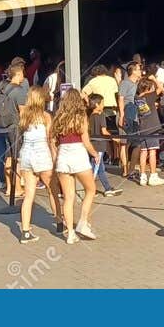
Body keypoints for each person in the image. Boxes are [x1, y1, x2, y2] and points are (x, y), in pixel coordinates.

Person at [51, 89, 100, 243]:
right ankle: (83, 222)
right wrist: (95, 154)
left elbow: (52, 139)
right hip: (78, 153)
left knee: (68, 197)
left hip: (63, 155)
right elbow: (85, 141)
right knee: (90, 189)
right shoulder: (81, 117)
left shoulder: (59, 117)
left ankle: (70, 234)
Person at [15, 85, 56, 243]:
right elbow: (50, 139)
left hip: (26, 155)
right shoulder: (46, 116)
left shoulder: (24, 115)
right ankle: (60, 221)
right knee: (51, 189)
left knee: (29, 195)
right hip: (42, 155)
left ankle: (25, 231)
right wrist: (54, 157)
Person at [0, 58, 29, 201]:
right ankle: (17, 187)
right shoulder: (19, 91)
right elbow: (23, 112)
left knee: (8, 156)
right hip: (15, 127)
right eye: (22, 74)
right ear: (18, 75)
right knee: (17, 158)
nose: (24, 77)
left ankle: (8, 187)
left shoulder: (4, 87)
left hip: (3, 125)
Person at [86, 94, 123, 197]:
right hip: (99, 145)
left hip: (92, 144)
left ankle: (107, 188)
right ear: (97, 104)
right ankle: (89, 189)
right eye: (102, 103)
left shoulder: (89, 116)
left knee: (100, 168)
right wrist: (114, 138)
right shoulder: (101, 116)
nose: (103, 105)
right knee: (95, 168)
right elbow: (104, 131)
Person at [131, 76, 164, 187]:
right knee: (152, 152)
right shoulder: (149, 96)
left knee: (143, 152)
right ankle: (153, 175)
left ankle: (143, 175)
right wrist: (154, 78)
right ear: (148, 88)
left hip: (143, 128)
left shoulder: (137, 98)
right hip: (152, 127)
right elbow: (161, 88)